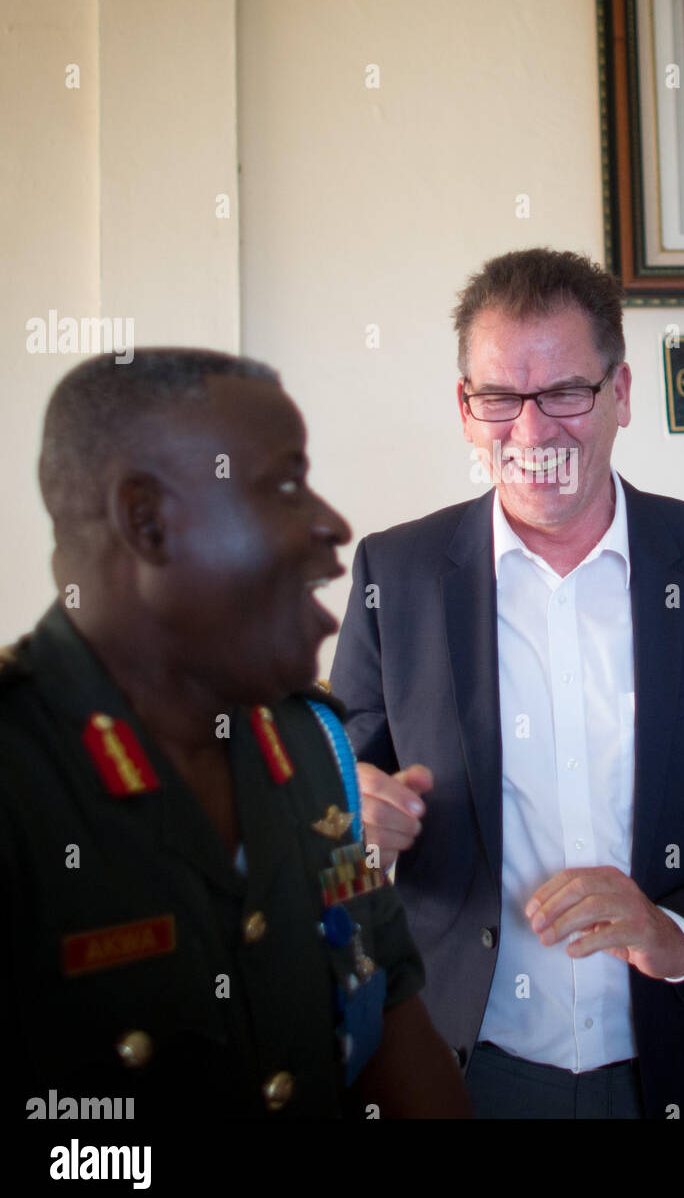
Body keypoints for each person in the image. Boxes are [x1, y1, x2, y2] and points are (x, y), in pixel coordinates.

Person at [331, 248, 684, 1118]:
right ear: (466, 411)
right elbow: (336, 827)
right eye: (501, 398)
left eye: (566, 394)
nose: (533, 432)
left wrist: (678, 936)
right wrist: (357, 831)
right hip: (455, 1073)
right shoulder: (391, 576)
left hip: (680, 1069)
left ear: (621, 393)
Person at [0, 349, 471, 1120]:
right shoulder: (20, 774)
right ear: (146, 520)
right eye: (285, 484)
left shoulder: (307, 743)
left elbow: (386, 1009)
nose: (333, 523)